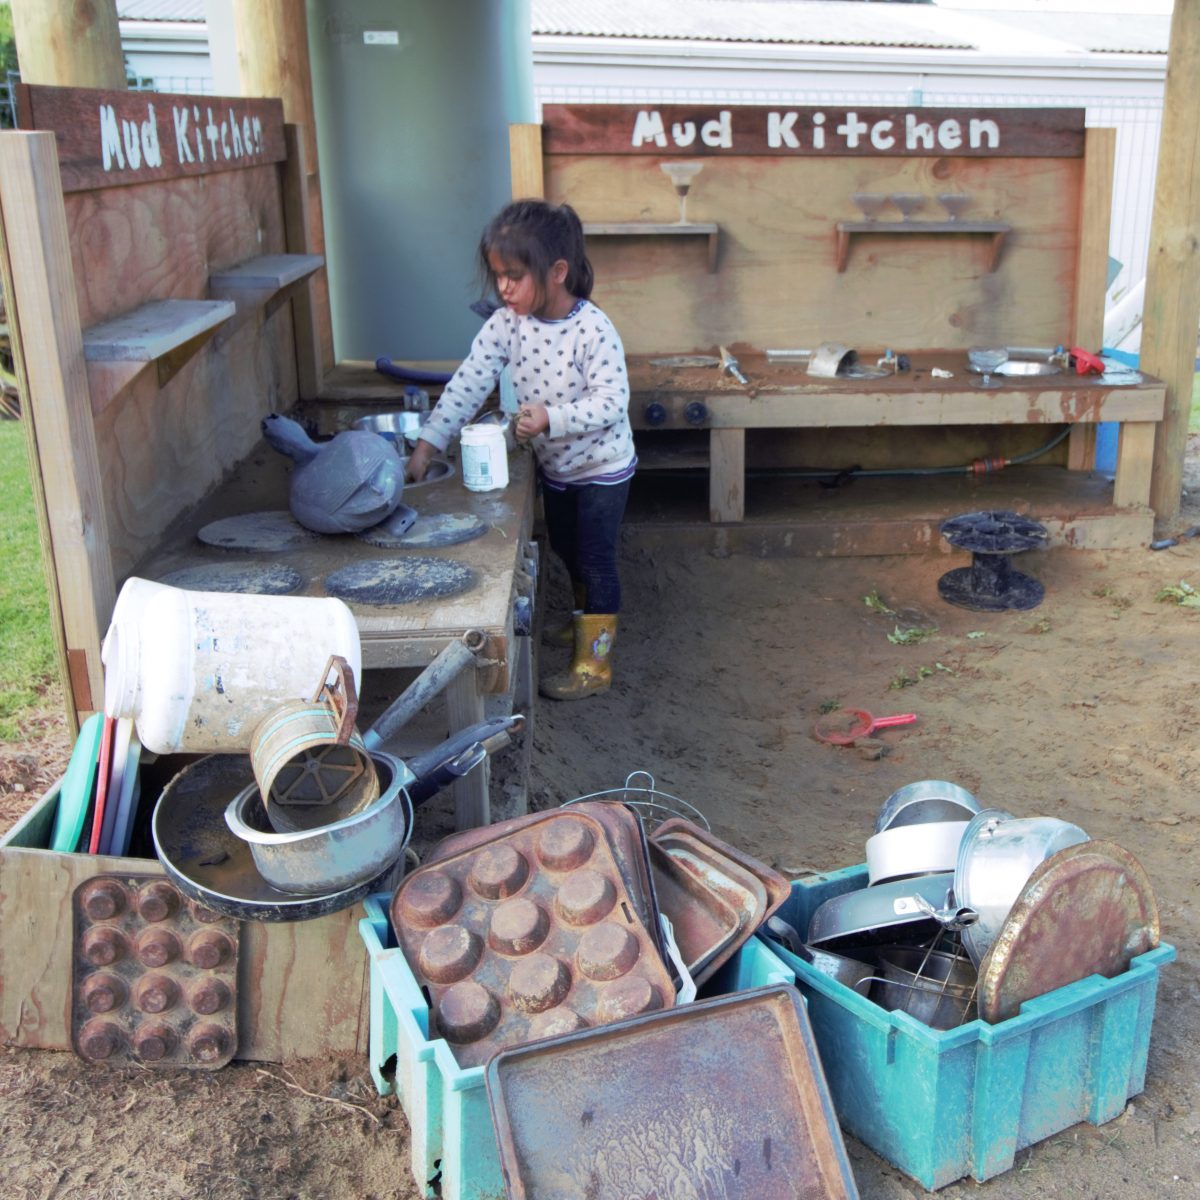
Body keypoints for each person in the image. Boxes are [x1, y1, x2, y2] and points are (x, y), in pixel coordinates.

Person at [407, 199, 635, 701]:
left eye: (514, 275)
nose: (504, 288)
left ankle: (594, 661)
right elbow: (469, 381)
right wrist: (427, 445)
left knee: (595, 558)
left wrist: (553, 417)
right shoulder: (507, 324)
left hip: (603, 468)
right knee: (567, 549)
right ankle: (583, 620)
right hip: (558, 469)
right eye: (498, 276)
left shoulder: (591, 328)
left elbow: (613, 403)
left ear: (557, 272)